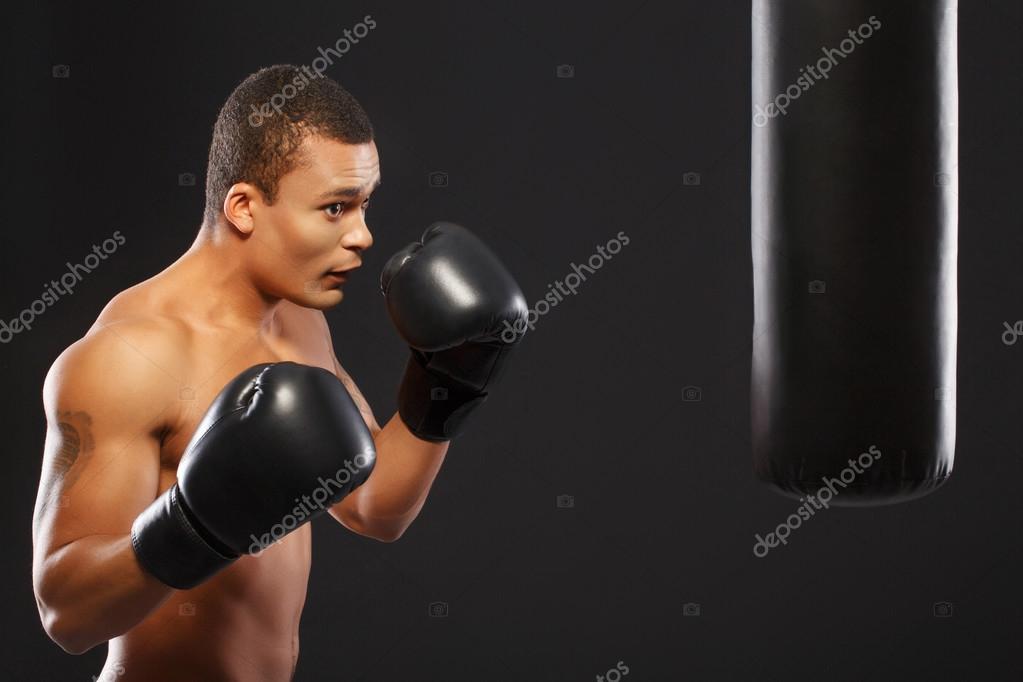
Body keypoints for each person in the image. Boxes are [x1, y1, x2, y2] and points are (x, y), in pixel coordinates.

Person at [31, 64, 527, 681]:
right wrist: (195, 521)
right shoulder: (127, 358)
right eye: (335, 208)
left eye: (365, 205)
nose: (364, 235)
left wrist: (446, 382)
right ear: (243, 206)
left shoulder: (297, 319)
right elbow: (66, 615)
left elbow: (373, 507)